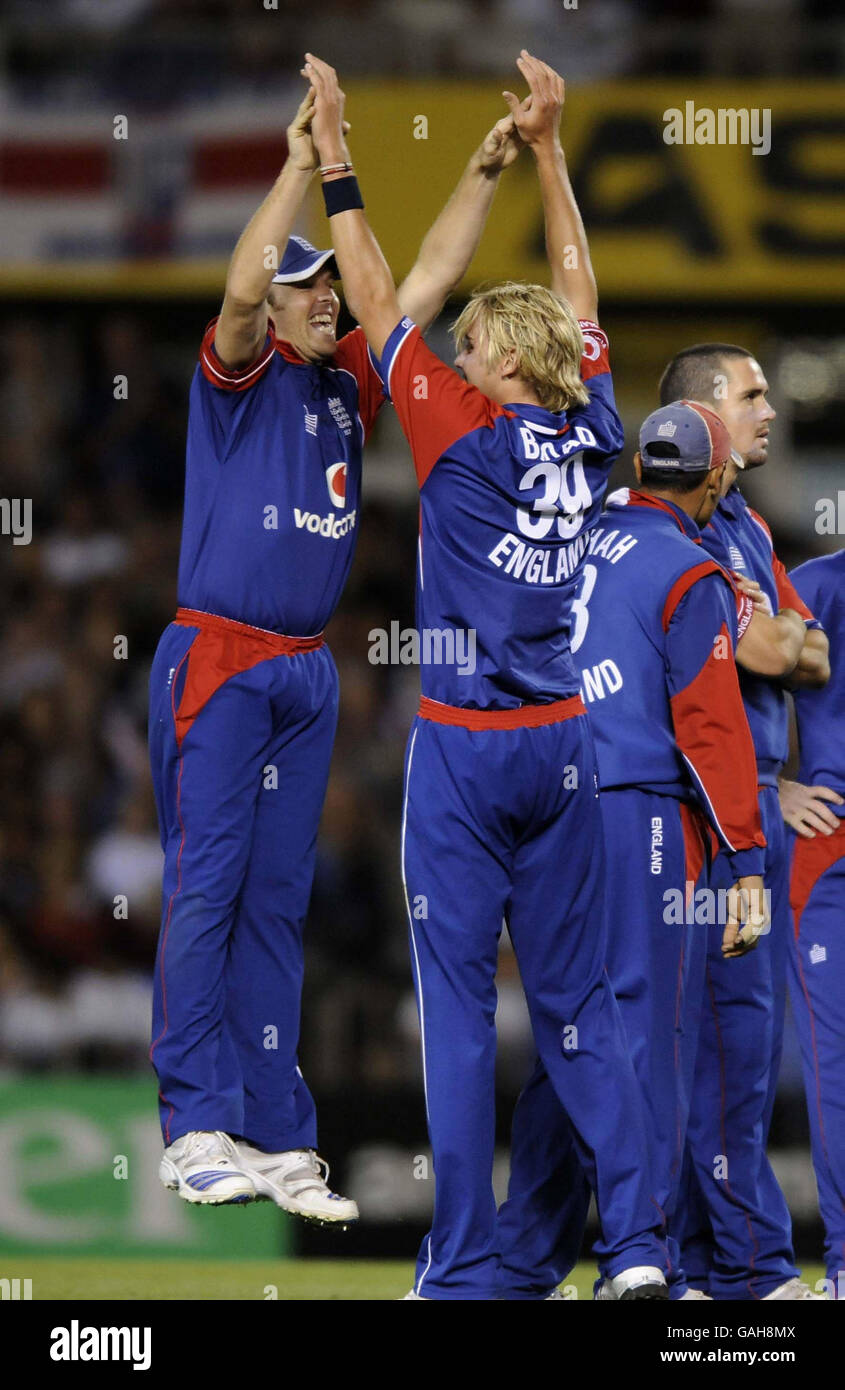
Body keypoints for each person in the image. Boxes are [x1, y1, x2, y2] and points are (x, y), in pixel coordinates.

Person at [305, 48, 670, 1300]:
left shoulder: (459, 431)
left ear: (500, 366)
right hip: (569, 741)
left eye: (470, 346)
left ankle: (460, 1271)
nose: (452, 357)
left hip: (465, 752)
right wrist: (553, 155)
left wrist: (340, 158)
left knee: (458, 1019)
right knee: (577, 1013)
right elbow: (578, 282)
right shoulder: (591, 420)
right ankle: (631, 1252)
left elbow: (369, 290)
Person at [149, 83, 525, 1213]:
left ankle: (273, 1133)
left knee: (276, 901)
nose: (325, 300)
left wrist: (486, 167)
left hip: (304, 672)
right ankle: (191, 1123)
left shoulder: (348, 385)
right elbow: (239, 285)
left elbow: (427, 281)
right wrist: (304, 164)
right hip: (218, 653)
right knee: (207, 887)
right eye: (308, 285)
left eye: (325, 286)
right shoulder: (241, 377)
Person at [497, 402, 784, 1300]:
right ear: (709, 478)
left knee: (572, 1040)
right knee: (651, 1035)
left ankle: (518, 1263)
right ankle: (644, 1253)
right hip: (637, 811)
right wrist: (745, 862)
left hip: (544, 796)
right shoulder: (686, 568)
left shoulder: (575, 534)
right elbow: (708, 730)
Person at [658, 345, 830, 1299]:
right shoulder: (665, 527)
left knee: (741, 1052)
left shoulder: (749, 529)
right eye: (752, 394)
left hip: (748, 800)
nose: (769, 409)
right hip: (688, 811)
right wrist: (770, 638)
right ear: (702, 415)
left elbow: (807, 656)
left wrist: (773, 785)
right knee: (700, 1045)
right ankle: (726, 1264)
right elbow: (768, 644)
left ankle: (712, 1263)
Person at [780, 550, 845, 1295]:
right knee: (835, 1069)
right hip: (830, 847)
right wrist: (772, 784)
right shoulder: (814, 584)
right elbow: (710, 681)